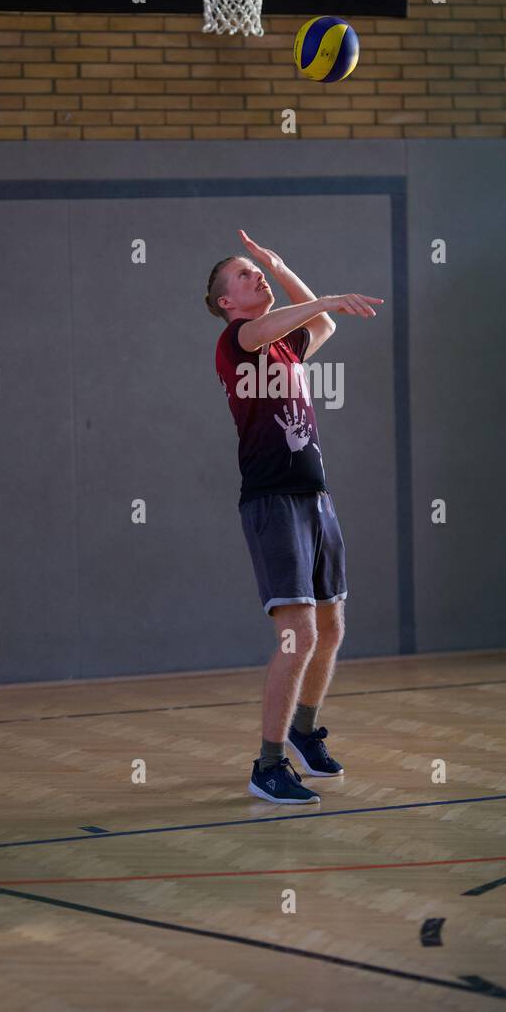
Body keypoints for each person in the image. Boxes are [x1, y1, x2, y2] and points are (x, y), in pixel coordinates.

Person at [206, 229, 383, 805]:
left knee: (330, 628)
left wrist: (280, 268)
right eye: (244, 275)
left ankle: (304, 732)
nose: (253, 277)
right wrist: (327, 297)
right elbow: (315, 316)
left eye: (254, 271)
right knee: (297, 635)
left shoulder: (284, 344)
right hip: (271, 501)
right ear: (226, 302)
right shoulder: (238, 340)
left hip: (316, 498)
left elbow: (322, 328)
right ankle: (268, 764)